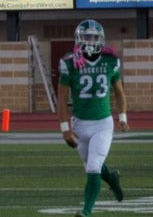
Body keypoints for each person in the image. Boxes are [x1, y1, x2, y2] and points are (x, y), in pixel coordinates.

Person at [57, 19, 128, 217]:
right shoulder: (70, 62)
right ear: (79, 39)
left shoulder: (110, 60)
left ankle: (86, 211)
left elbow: (119, 93)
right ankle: (112, 179)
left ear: (101, 39)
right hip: (79, 123)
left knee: (94, 166)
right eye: (86, 37)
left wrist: (122, 117)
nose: (89, 41)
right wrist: (65, 129)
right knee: (92, 165)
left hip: (102, 123)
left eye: (93, 37)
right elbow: (61, 98)